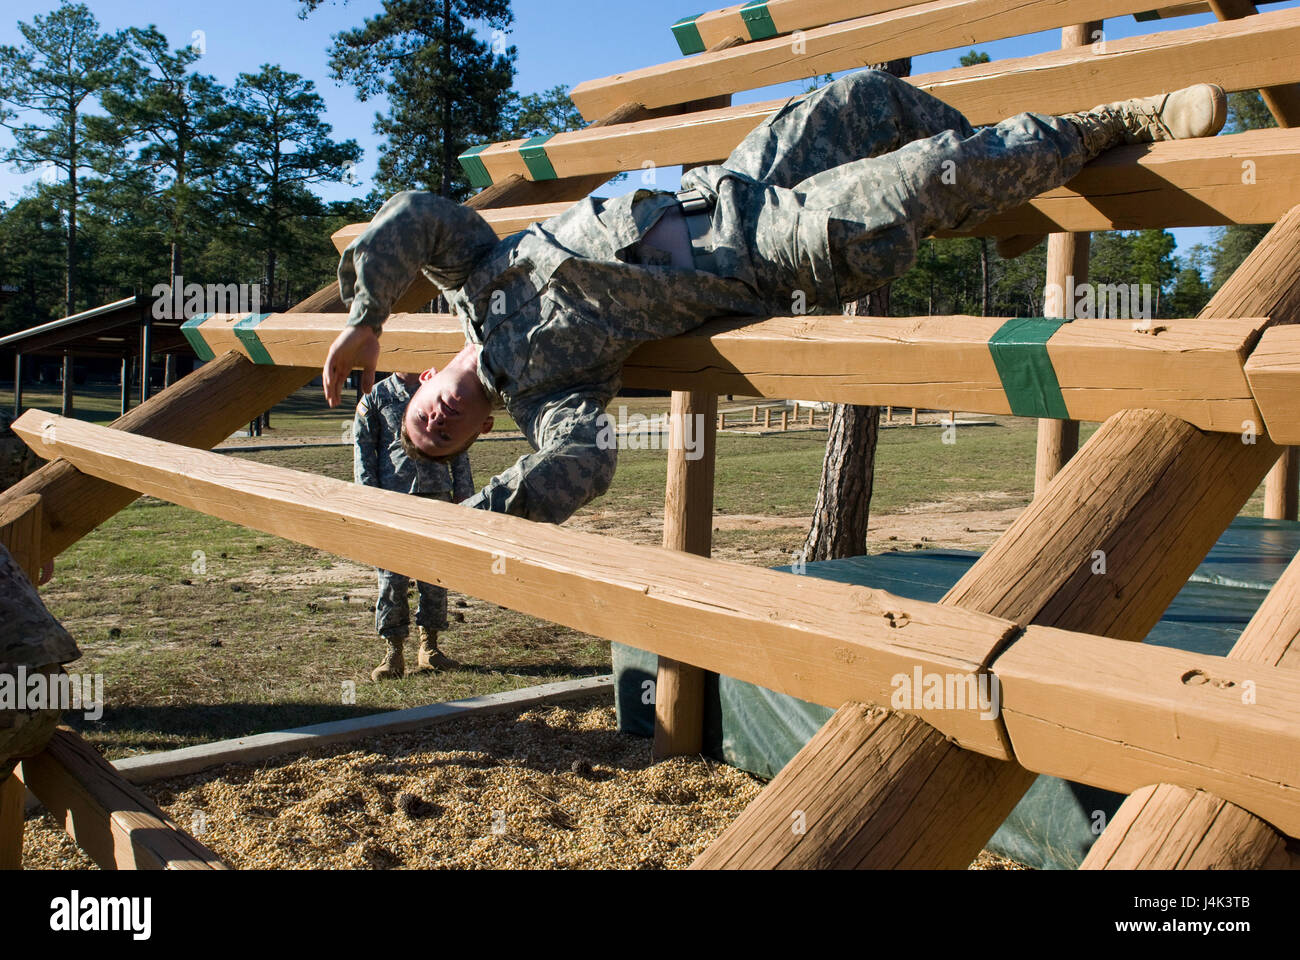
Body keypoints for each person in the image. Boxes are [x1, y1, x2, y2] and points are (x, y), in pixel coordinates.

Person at [325, 70, 1226, 525]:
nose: (439, 420)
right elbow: (584, 467)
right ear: (481, 436)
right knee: (925, 175)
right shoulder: (553, 398)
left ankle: (1005, 195)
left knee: (865, 93)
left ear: (416, 380)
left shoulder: (473, 281)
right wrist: (485, 518)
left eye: (422, 418)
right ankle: (1120, 120)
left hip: (726, 183)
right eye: (446, 438)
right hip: (764, 245)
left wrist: (362, 317)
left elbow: (415, 214)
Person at [354, 371, 475, 679]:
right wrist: (367, 498)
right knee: (392, 578)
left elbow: (459, 443)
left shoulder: (440, 390)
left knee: (435, 577)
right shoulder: (376, 395)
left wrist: (463, 491)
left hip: (436, 495)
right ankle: (393, 652)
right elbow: (364, 449)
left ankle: (430, 648)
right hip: (393, 500)